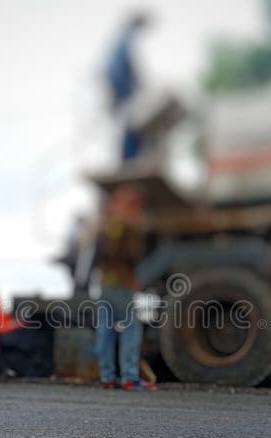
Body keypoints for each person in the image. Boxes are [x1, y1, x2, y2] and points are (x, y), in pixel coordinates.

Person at [94, 184, 155, 390]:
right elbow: (131, 255)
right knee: (131, 329)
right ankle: (129, 378)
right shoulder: (127, 227)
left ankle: (107, 378)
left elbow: (99, 255)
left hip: (105, 283)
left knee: (106, 330)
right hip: (121, 285)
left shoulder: (105, 226)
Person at [104, 12, 152, 163]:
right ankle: (128, 160)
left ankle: (129, 160)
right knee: (132, 126)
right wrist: (139, 82)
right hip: (122, 90)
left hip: (121, 91)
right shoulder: (126, 40)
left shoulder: (122, 40)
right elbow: (127, 65)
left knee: (129, 126)